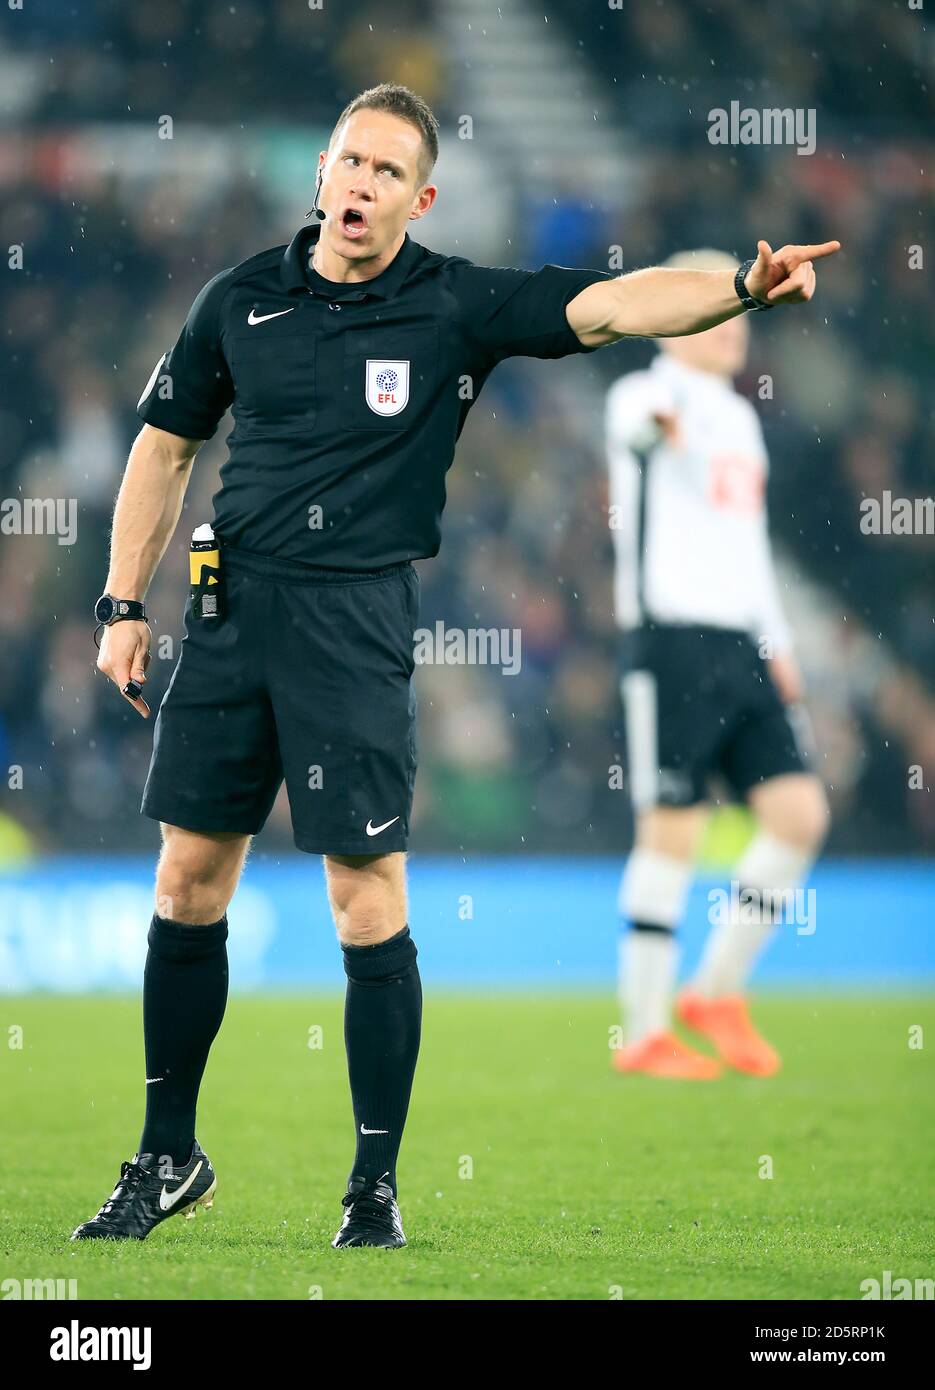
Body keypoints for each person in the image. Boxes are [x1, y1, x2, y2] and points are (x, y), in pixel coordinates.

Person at [76, 83, 839, 1246]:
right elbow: (165, 445)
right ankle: (166, 1156)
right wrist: (124, 600)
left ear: (418, 197)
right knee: (186, 880)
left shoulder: (454, 305)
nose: (362, 186)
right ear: (319, 174)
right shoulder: (238, 299)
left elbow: (612, 304)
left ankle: (371, 1187)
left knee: (363, 896)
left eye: (388, 173)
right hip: (232, 616)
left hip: (355, 625)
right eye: (349, 164)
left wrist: (737, 286)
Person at [606, 249, 830, 1082]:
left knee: (800, 814)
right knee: (672, 831)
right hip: (670, 640)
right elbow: (631, 437)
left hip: (742, 644)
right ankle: (643, 1029)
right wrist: (651, 436)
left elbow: (747, 547)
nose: (736, 325)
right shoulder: (646, 390)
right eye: (722, 305)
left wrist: (777, 644)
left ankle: (716, 990)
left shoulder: (738, 418)